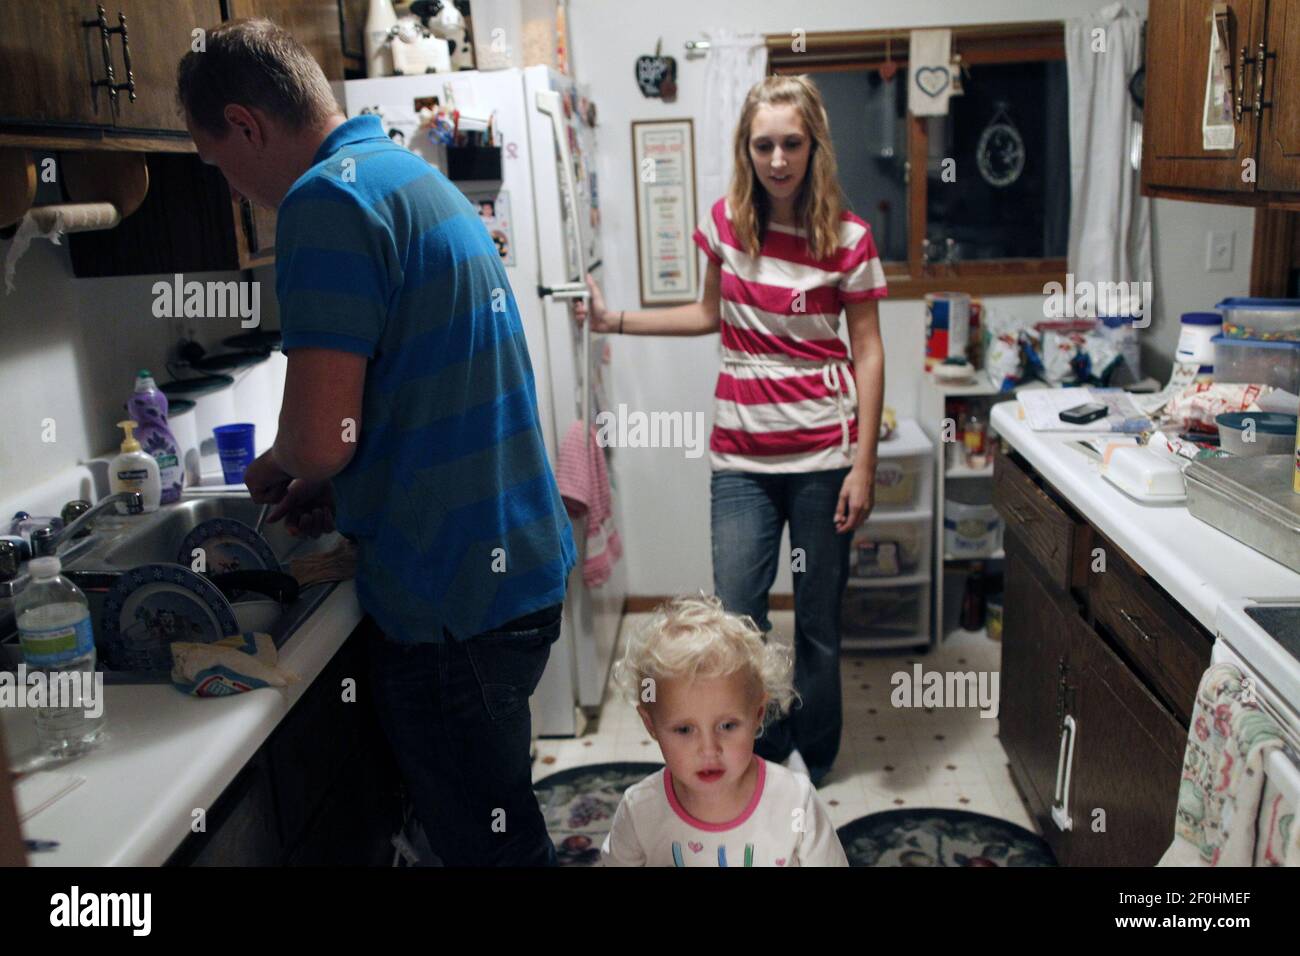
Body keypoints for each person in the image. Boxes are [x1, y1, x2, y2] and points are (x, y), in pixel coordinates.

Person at [176, 19, 576, 866]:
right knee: (488, 824)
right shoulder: (405, 176)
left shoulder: (326, 200)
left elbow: (320, 436)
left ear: (245, 125)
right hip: (509, 569)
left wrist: (280, 466)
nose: (234, 189)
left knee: (491, 850)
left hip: (450, 597)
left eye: (219, 165)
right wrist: (345, 479)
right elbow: (409, 395)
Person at [578, 75, 887, 786]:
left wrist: (863, 465)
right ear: (745, 149)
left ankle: (822, 752)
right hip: (740, 463)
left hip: (823, 461)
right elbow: (706, 313)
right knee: (741, 621)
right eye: (763, 145)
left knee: (817, 621)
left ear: (815, 147)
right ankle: (768, 752)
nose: (778, 159)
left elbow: (868, 350)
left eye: (791, 144)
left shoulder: (849, 238)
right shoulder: (726, 224)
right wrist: (614, 320)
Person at [601, 595, 847, 867]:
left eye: (727, 726)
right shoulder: (640, 811)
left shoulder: (795, 802)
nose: (709, 749)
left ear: (758, 715)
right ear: (651, 726)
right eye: (684, 729)